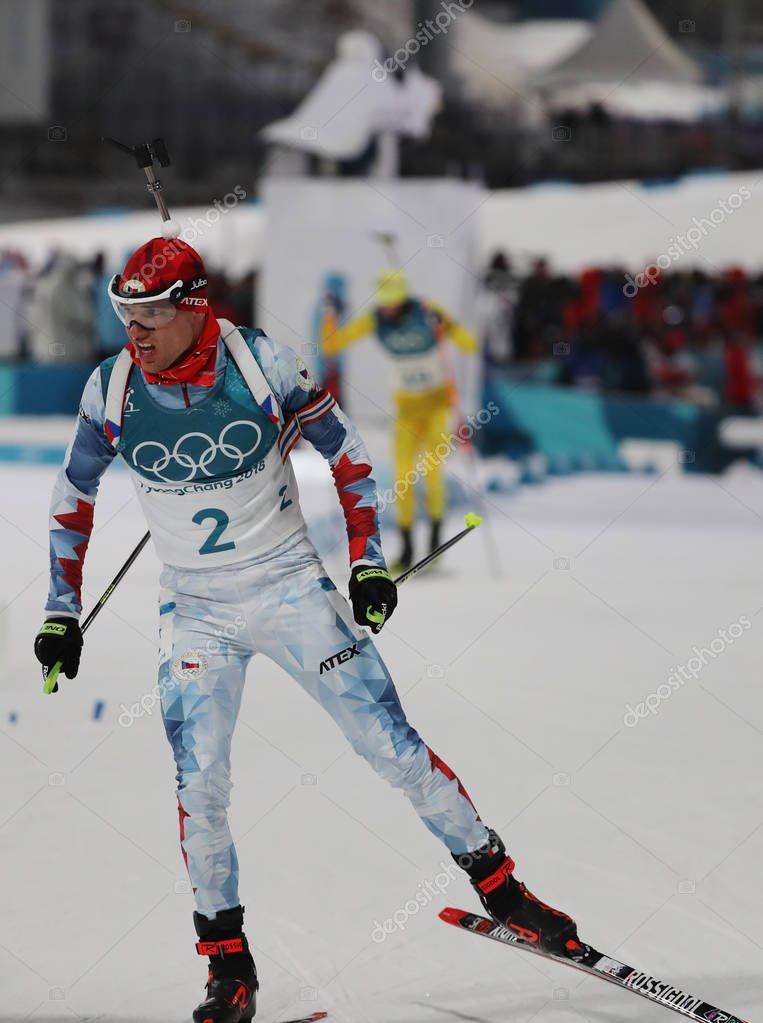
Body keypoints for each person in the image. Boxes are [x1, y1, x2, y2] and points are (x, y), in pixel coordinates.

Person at [34, 238, 579, 1023]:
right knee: (200, 785)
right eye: (126, 315)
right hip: (194, 609)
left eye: (150, 314)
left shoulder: (261, 365)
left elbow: (349, 458)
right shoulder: (112, 386)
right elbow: (70, 497)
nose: (136, 332)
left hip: (289, 588)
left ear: (193, 308)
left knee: (389, 747)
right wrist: (60, 610)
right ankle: (229, 968)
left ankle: (502, 888)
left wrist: (364, 562)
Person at [322, 268, 477, 571]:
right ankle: (406, 549)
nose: (389, 308)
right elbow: (331, 345)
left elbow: (469, 344)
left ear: (404, 298)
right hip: (406, 409)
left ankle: (435, 541)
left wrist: (446, 323)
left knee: (432, 472)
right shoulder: (375, 319)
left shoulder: (426, 312)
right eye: (385, 303)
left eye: (394, 302)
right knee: (403, 476)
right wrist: (331, 314)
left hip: (435, 405)